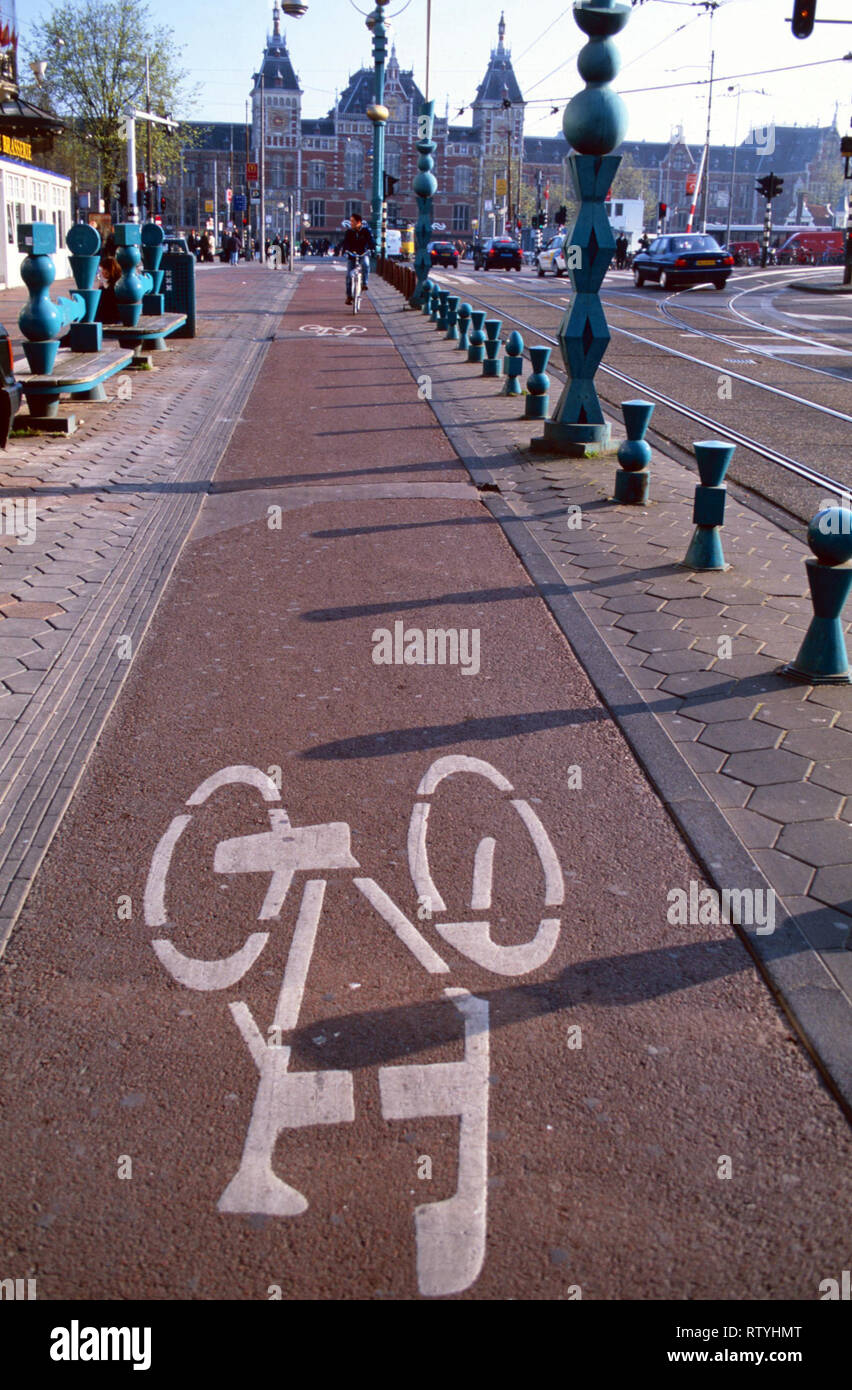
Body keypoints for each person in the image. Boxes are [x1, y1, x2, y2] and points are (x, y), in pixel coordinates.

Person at [340, 212, 375, 304]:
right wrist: (345, 251)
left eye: (352, 221)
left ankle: (365, 283)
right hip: (352, 254)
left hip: (363, 253)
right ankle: (349, 296)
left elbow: (371, 241)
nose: (351, 223)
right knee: (348, 275)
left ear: (358, 222)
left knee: (366, 264)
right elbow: (346, 243)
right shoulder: (349, 232)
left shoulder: (366, 231)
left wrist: (372, 249)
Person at [95, 254, 121, 323]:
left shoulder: (114, 286)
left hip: (111, 317)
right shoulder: (116, 283)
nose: (102, 272)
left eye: (103, 269)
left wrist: (101, 288)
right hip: (111, 316)